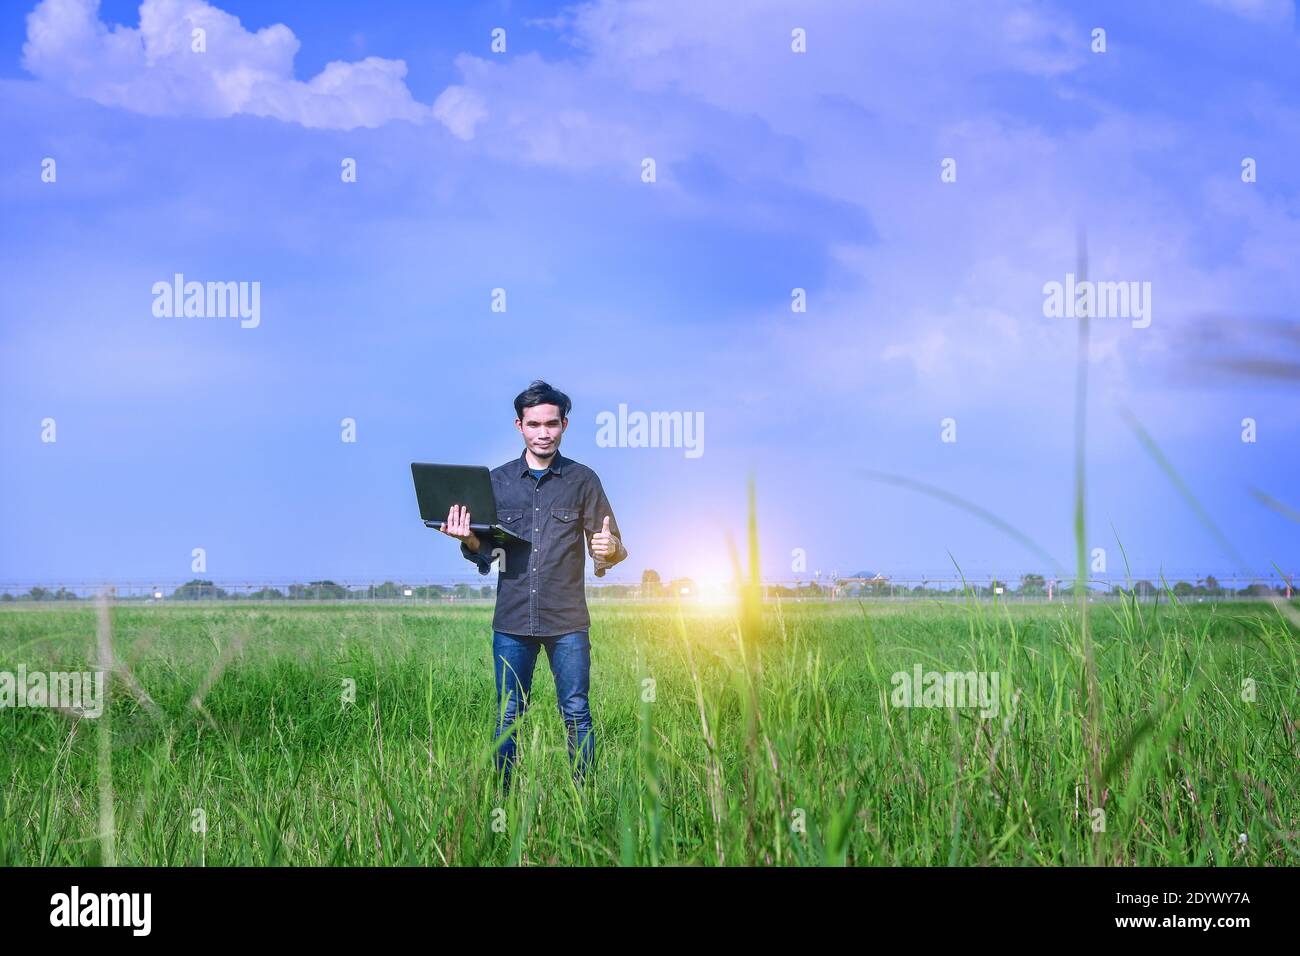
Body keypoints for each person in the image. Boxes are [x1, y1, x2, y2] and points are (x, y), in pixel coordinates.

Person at [438, 380, 628, 791]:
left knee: (576, 711)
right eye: (534, 424)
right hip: (511, 621)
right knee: (509, 714)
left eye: (552, 424)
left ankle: (585, 798)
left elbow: (610, 549)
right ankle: (503, 799)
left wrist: (608, 548)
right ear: (519, 426)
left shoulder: (583, 481)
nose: (543, 432)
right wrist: (467, 538)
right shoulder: (496, 482)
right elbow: (484, 551)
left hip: (568, 621)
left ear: (564, 425)